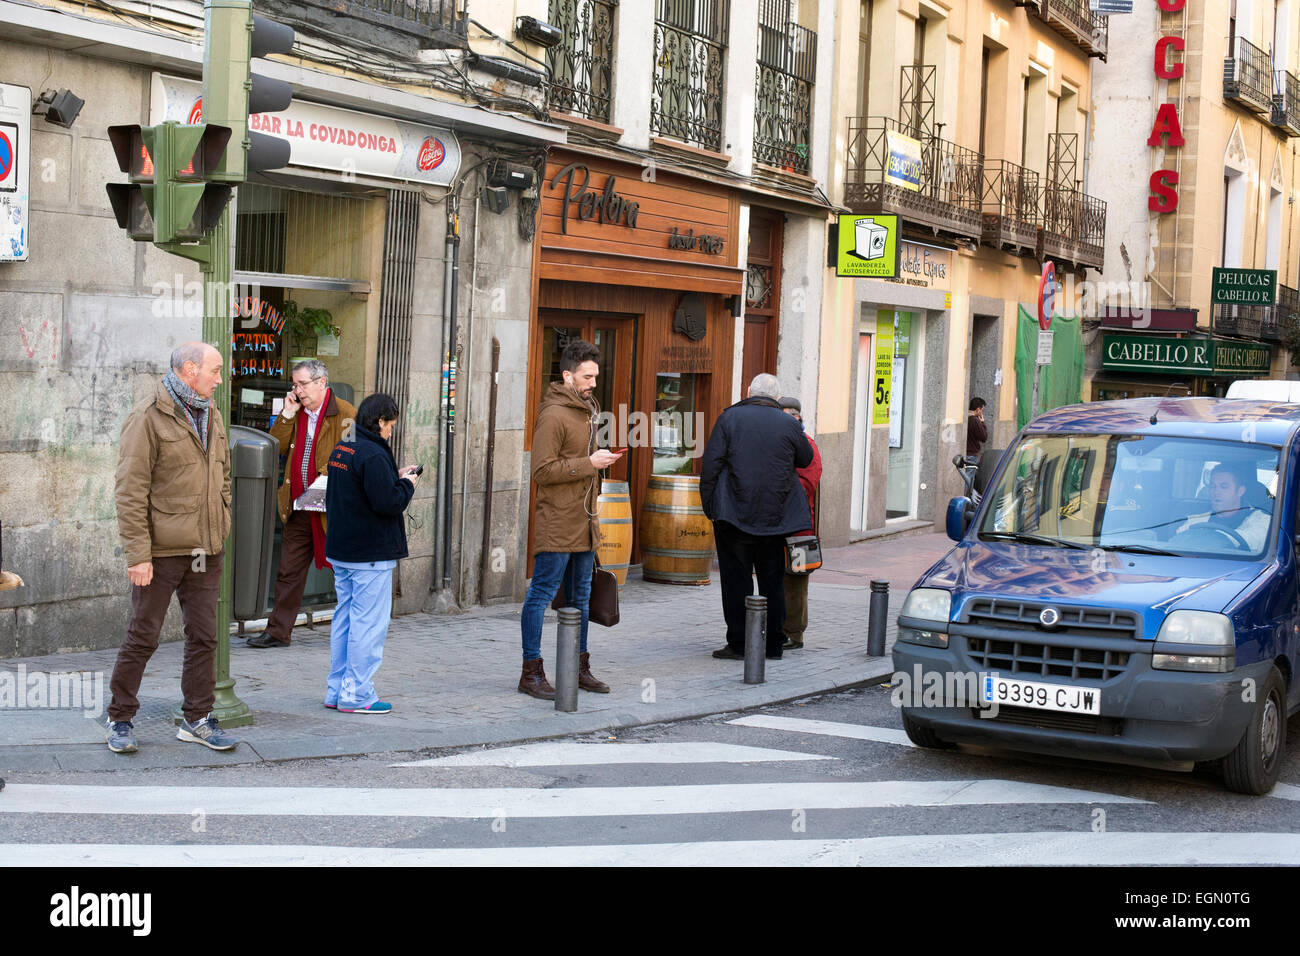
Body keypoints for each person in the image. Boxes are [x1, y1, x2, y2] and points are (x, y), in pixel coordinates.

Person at [106, 342, 237, 753]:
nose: (220, 379)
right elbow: (130, 491)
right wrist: (138, 555)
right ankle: (120, 718)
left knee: (204, 636)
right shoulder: (148, 415)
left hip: (205, 550)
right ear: (189, 369)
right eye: (215, 371)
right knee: (143, 636)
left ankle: (197, 718)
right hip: (161, 553)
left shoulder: (211, 413)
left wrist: (223, 516)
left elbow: (224, 474)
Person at [519, 339, 622, 700]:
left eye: (595, 375)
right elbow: (542, 471)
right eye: (586, 376)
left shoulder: (586, 410)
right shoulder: (554, 414)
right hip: (557, 521)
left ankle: (577, 667)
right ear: (567, 375)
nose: (593, 382)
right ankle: (530, 672)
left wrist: (598, 459)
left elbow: (578, 460)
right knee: (541, 595)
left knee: (582, 593)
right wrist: (588, 464)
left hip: (583, 520)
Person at [700, 373, 813, 661]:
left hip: (733, 516)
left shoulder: (729, 419)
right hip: (775, 518)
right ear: (777, 397)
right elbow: (805, 459)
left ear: (748, 391)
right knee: (772, 581)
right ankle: (773, 645)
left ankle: (739, 644)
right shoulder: (789, 423)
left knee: (736, 582)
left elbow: (711, 466)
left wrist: (710, 506)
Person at [246, 359, 357, 648]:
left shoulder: (345, 414)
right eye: (295, 385)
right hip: (298, 507)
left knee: (344, 570)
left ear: (321, 383)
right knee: (288, 572)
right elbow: (275, 447)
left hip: (332, 510)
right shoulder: (295, 413)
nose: (298, 390)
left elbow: (357, 457)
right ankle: (278, 631)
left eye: (303, 384)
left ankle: (358, 628)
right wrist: (286, 414)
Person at [322, 393, 418, 713]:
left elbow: (361, 491)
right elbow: (388, 501)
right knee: (368, 625)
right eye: (390, 425)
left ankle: (337, 689)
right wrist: (407, 484)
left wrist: (394, 477)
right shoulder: (373, 454)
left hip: (342, 550)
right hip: (369, 554)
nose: (391, 431)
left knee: (345, 621)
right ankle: (358, 693)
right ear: (379, 422)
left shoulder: (344, 446)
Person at [778, 397, 822, 650]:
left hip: (799, 529)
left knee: (795, 582)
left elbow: (805, 486)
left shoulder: (807, 445)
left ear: (795, 418)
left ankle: (794, 634)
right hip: (779, 524)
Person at [1176, 462, 1270, 550]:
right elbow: (1179, 541)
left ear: (1240, 491)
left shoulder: (1262, 520)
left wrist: (1204, 537)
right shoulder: (1196, 520)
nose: (1216, 492)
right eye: (1213, 486)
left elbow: (1254, 540)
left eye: (1224, 487)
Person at [966, 397, 987, 464]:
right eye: (982, 410)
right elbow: (984, 437)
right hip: (971, 454)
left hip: (965, 452)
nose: (981, 412)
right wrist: (982, 423)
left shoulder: (966, 418)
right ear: (978, 409)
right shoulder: (974, 420)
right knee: (969, 474)